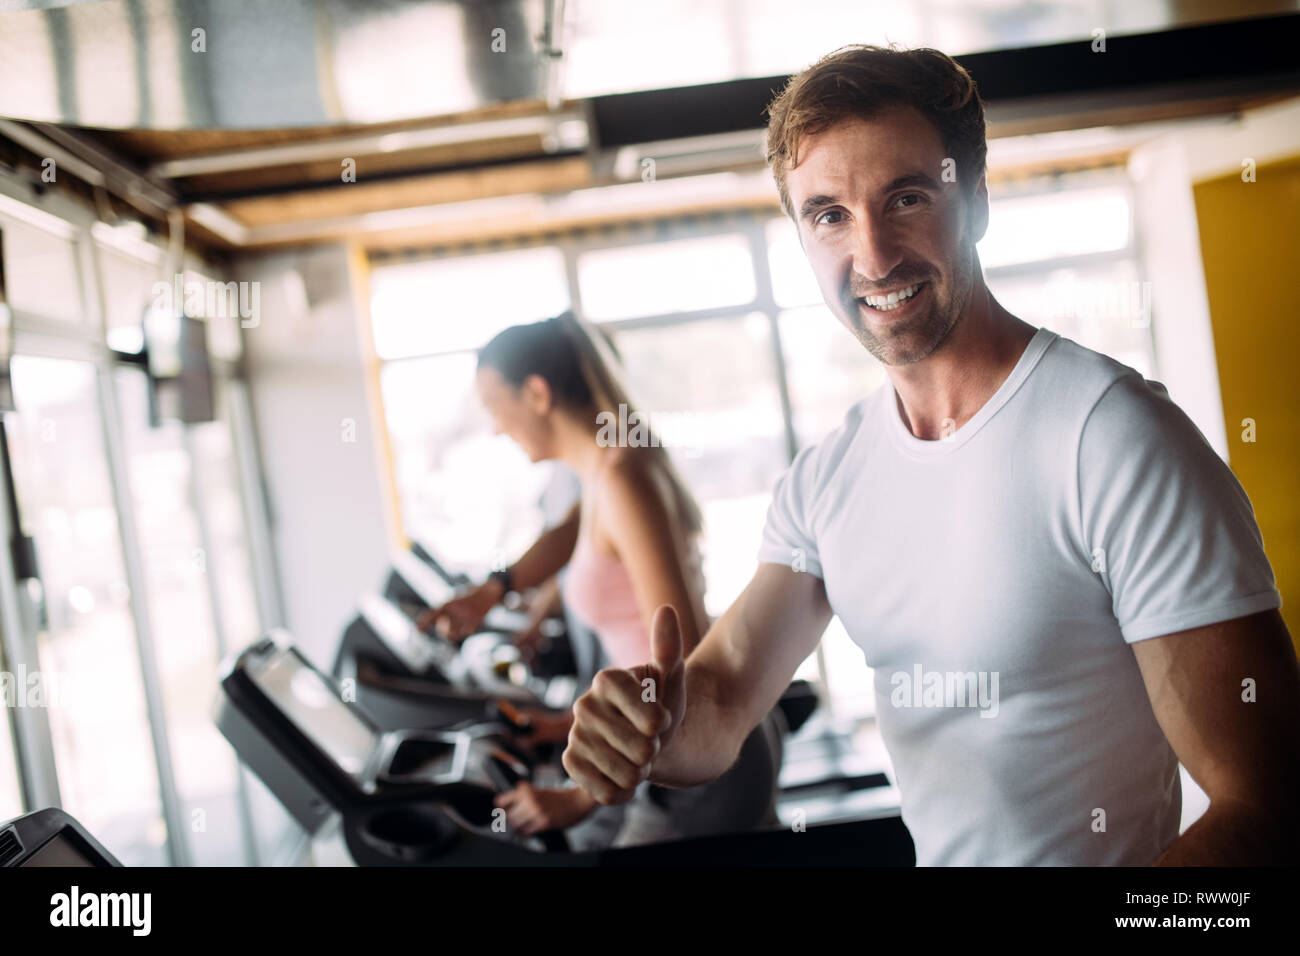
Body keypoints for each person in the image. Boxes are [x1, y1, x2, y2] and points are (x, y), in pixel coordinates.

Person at [562, 44, 1300, 866]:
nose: (872, 256)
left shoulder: (1113, 438)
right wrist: (643, 731)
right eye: (829, 215)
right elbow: (724, 702)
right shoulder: (828, 480)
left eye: (906, 198)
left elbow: (1264, 806)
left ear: (976, 200)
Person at [419, 311, 781, 845]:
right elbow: (565, 540)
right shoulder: (602, 472)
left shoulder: (621, 478)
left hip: (694, 750)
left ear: (537, 394)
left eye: (497, 406)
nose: (496, 426)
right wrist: (570, 722)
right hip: (681, 736)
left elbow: (675, 660)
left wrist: (578, 797)